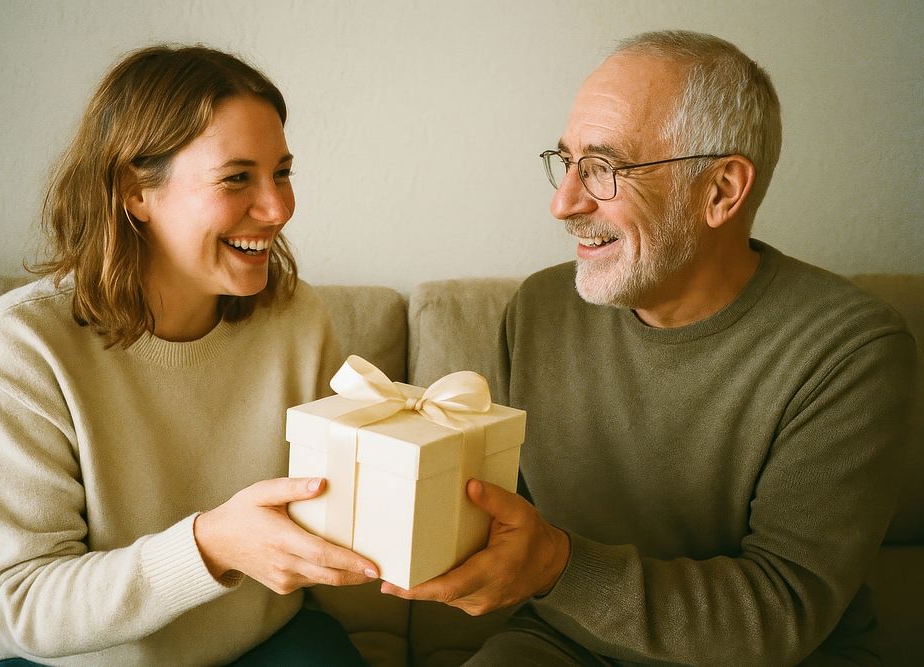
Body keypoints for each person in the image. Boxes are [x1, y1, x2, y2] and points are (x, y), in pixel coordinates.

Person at [381, 30, 917, 665]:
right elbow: (497, 515)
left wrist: (557, 564)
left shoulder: (849, 350)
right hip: (566, 642)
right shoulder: (542, 308)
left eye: (604, 169)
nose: (562, 203)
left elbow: (781, 612)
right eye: (567, 161)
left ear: (720, 191)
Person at [0, 45, 378, 666]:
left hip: (254, 642)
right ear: (135, 191)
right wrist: (209, 547)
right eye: (237, 177)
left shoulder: (297, 318)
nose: (278, 208)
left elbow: (334, 499)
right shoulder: (22, 345)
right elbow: (25, 600)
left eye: (281, 172)